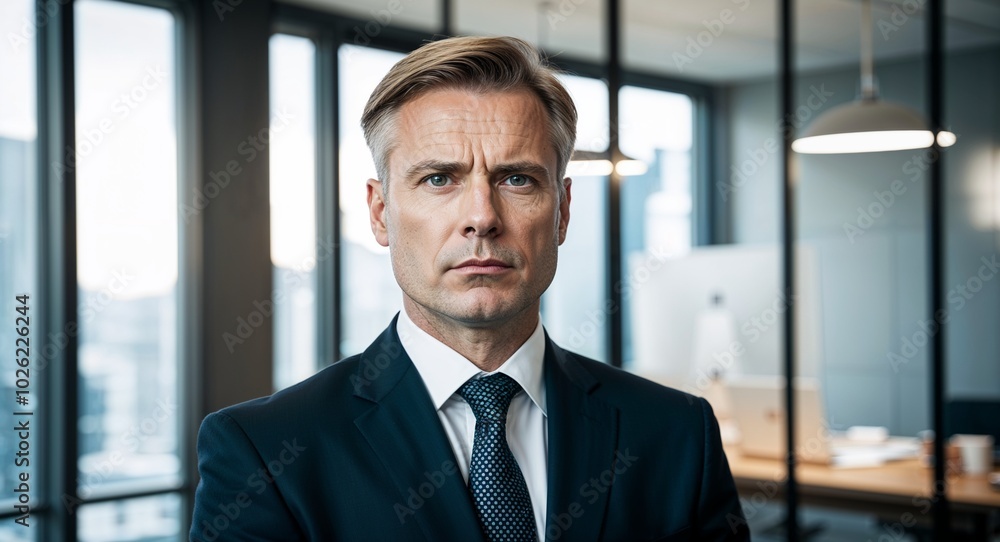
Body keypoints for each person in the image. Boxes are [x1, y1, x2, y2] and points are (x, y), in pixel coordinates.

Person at [191, 35, 750, 542]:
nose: (482, 217)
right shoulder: (265, 450)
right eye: (439, 179)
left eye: (517, 179)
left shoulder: (676, 433)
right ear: (381, 213)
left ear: (562, 211)